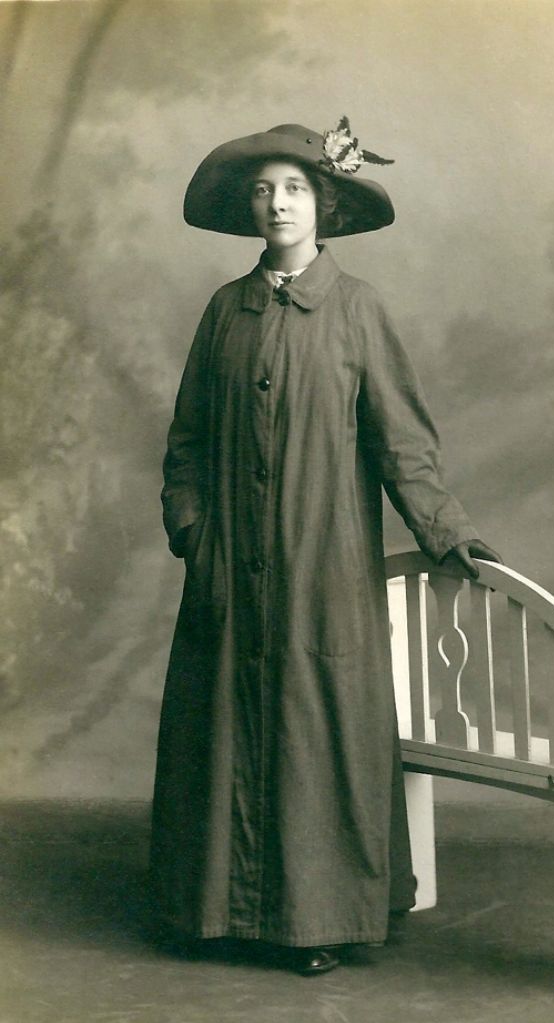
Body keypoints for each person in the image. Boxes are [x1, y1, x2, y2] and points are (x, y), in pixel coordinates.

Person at [149, 118, 500, 976]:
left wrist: (448, 533)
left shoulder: (356, 311)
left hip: (324, 569)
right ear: (250, 207)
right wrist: (195, 531)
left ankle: (317, 919)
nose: (279, 202)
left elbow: (403, 448)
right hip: (229, 574)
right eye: (266, 189)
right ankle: (220, 912)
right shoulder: (223, 312)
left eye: (297, 188)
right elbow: (186, 442)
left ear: (325, 206)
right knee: (224, 730)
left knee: (318, 736)